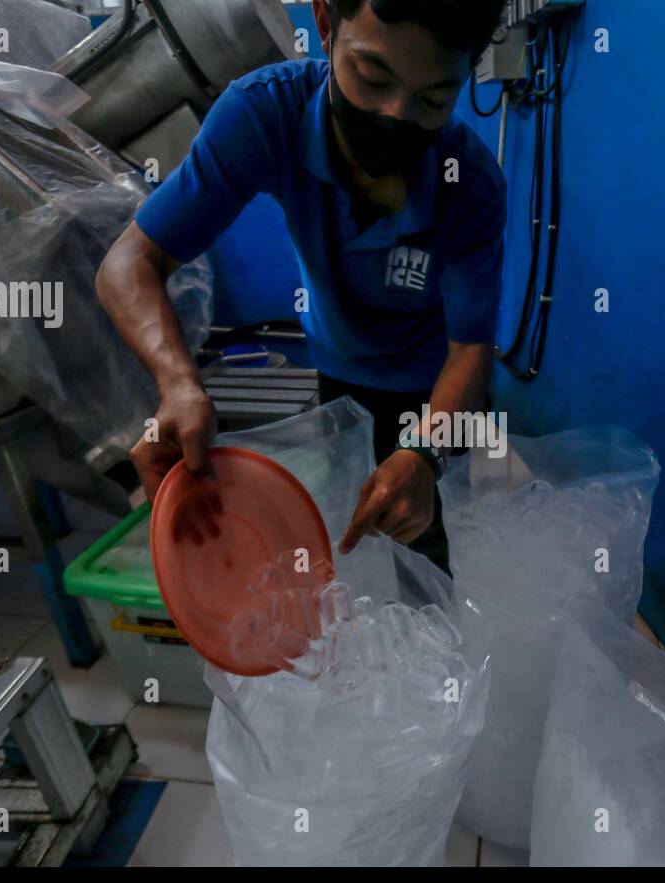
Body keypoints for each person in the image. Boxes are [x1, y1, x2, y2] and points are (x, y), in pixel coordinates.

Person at [96, 0, 508, 573]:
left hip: (434, 390)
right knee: (346, 533)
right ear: (323, 20)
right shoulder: (266, 115)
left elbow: (470, 351)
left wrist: (426, 452)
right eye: (372, 76)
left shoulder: (469, 184)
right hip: (337, 369)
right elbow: (130, 264)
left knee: (428, 538)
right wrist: (178, 385)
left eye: (434, 98)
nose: (395, 114)